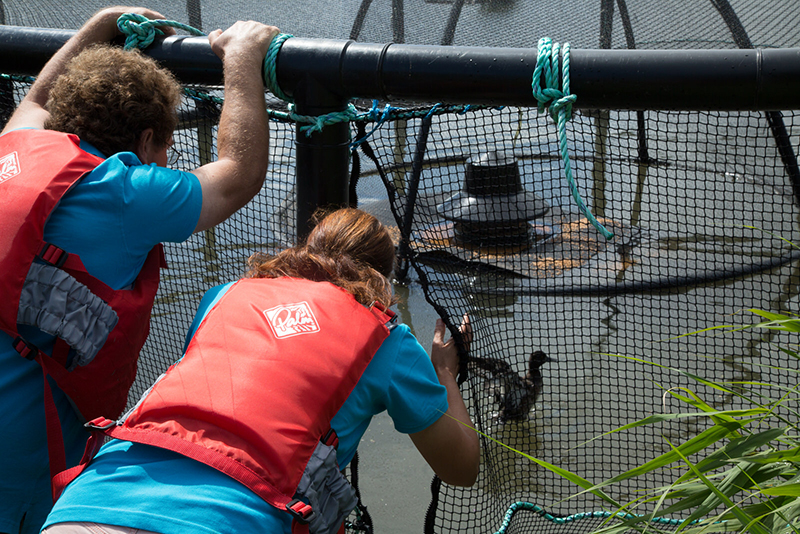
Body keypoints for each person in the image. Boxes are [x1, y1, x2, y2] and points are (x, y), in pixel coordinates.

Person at [0, 6, 280, 533]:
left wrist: (102, 21)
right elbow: (239, 175)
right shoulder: (123, 193)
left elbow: (36, 99)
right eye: (165, 148)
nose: (165, 160)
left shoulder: (14, 146)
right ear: (148, 139)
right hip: (20, 451)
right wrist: (242, 57)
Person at [41, 208, 480, 534]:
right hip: (229, 520)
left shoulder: (222, 295)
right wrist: (444, 373)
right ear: (380, 278)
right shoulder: (387, 337)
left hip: (88, 503)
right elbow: (462, 468)